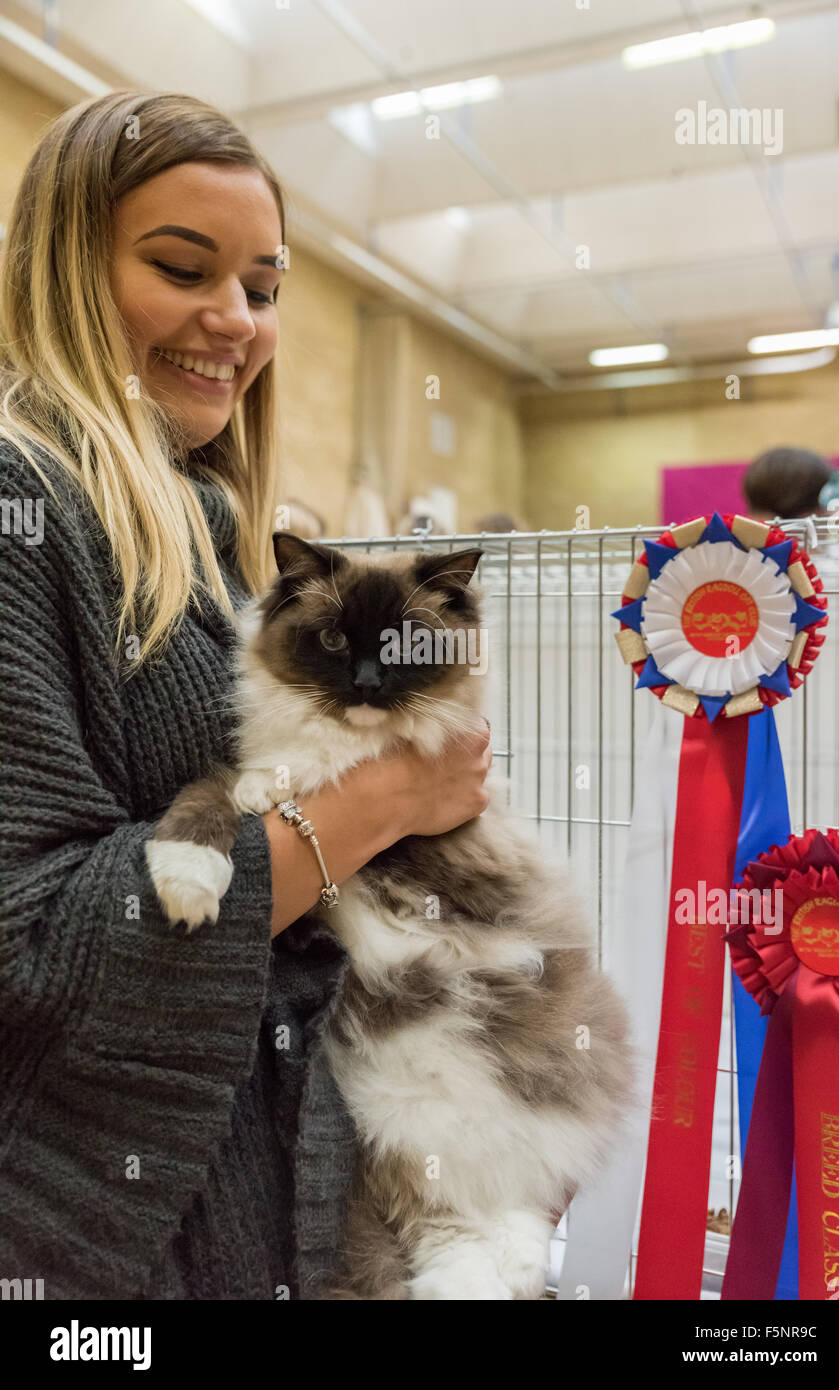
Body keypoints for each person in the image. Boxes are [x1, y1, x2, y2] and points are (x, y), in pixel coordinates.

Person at [0, 90, 492, 1300]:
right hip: (104, 1230)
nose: (235, 320)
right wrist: (379, 801)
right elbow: (29, 940)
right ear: (63, 268)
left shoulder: (214, 539)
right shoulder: (24, 513)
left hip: (268, 1178)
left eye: (264, 288)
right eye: (182, 267)